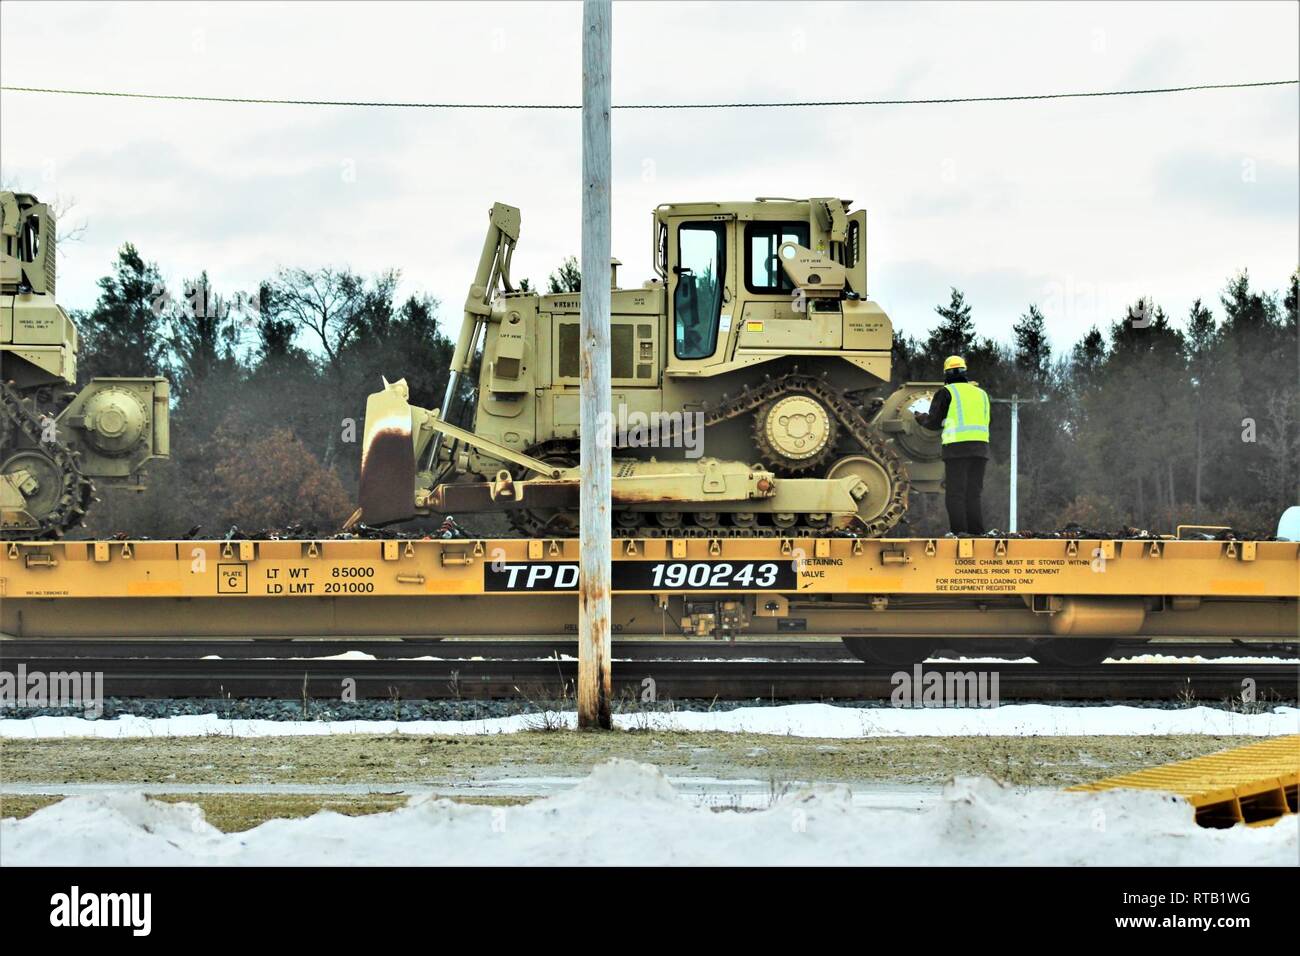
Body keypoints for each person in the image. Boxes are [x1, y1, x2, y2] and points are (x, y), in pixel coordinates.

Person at [913, 355, 990, 535]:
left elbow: (933, 422)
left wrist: (920, 418)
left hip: (957, 448)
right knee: (974, 492)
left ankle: (959, 531)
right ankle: (977, 532)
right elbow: (988, 420)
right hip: (981, 448)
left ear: (946, 374)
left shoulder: (947, 392)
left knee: (956, 492)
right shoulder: (981, 394)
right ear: (964, 372)